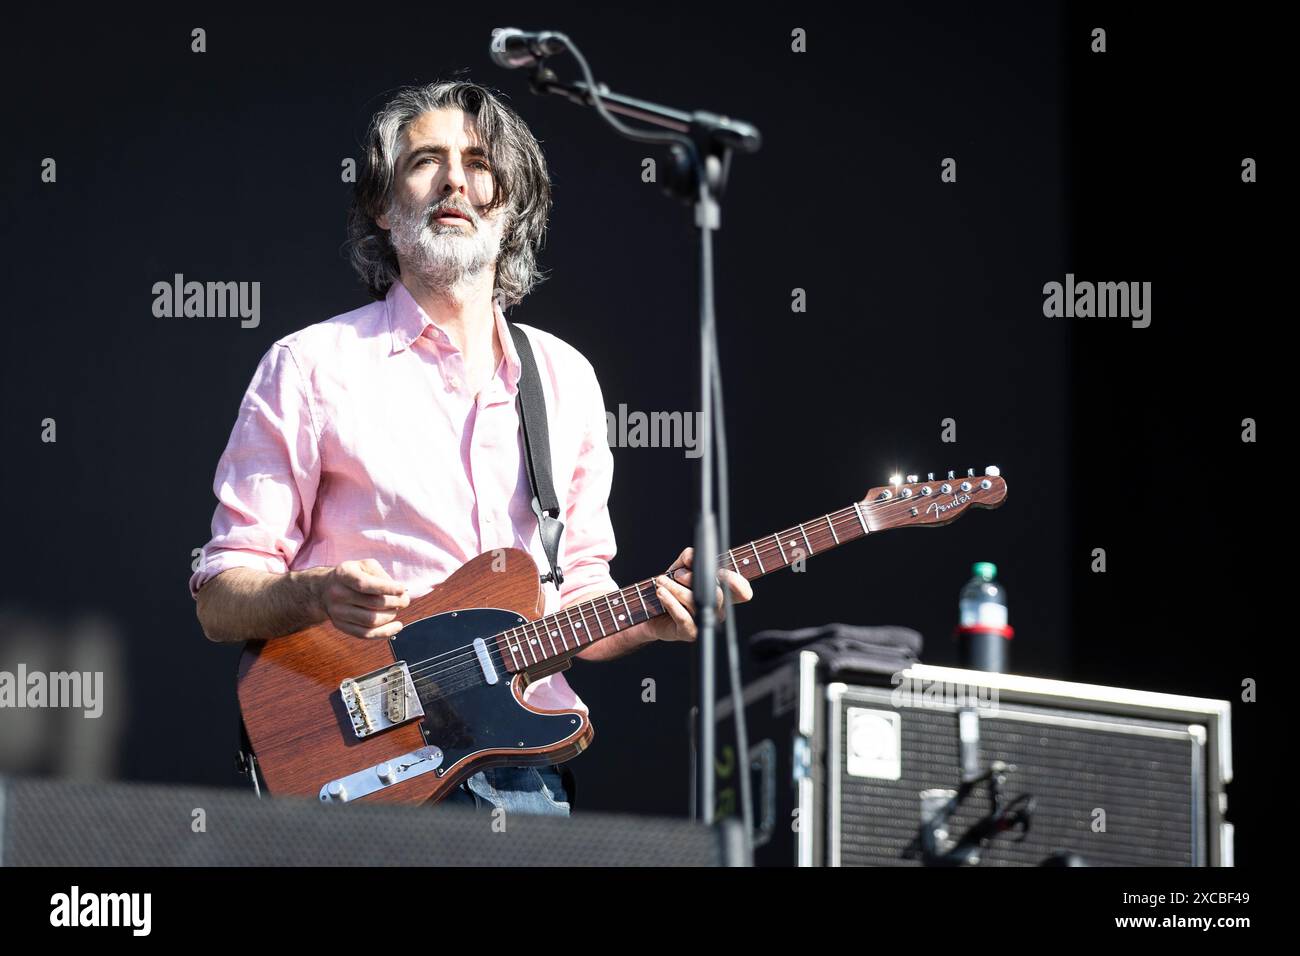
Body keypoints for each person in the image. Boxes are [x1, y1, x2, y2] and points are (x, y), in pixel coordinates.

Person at [190, 80, 753, 816]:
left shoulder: (565, 379)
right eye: (427, 160)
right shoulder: (310, 366)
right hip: (368, 776)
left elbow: (577, 593)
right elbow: (220, 598)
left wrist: (650, 613)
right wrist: (318, 594)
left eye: (480, 163)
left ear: (512, 205)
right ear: (383, 208)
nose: (457, 178)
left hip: (522, 778)